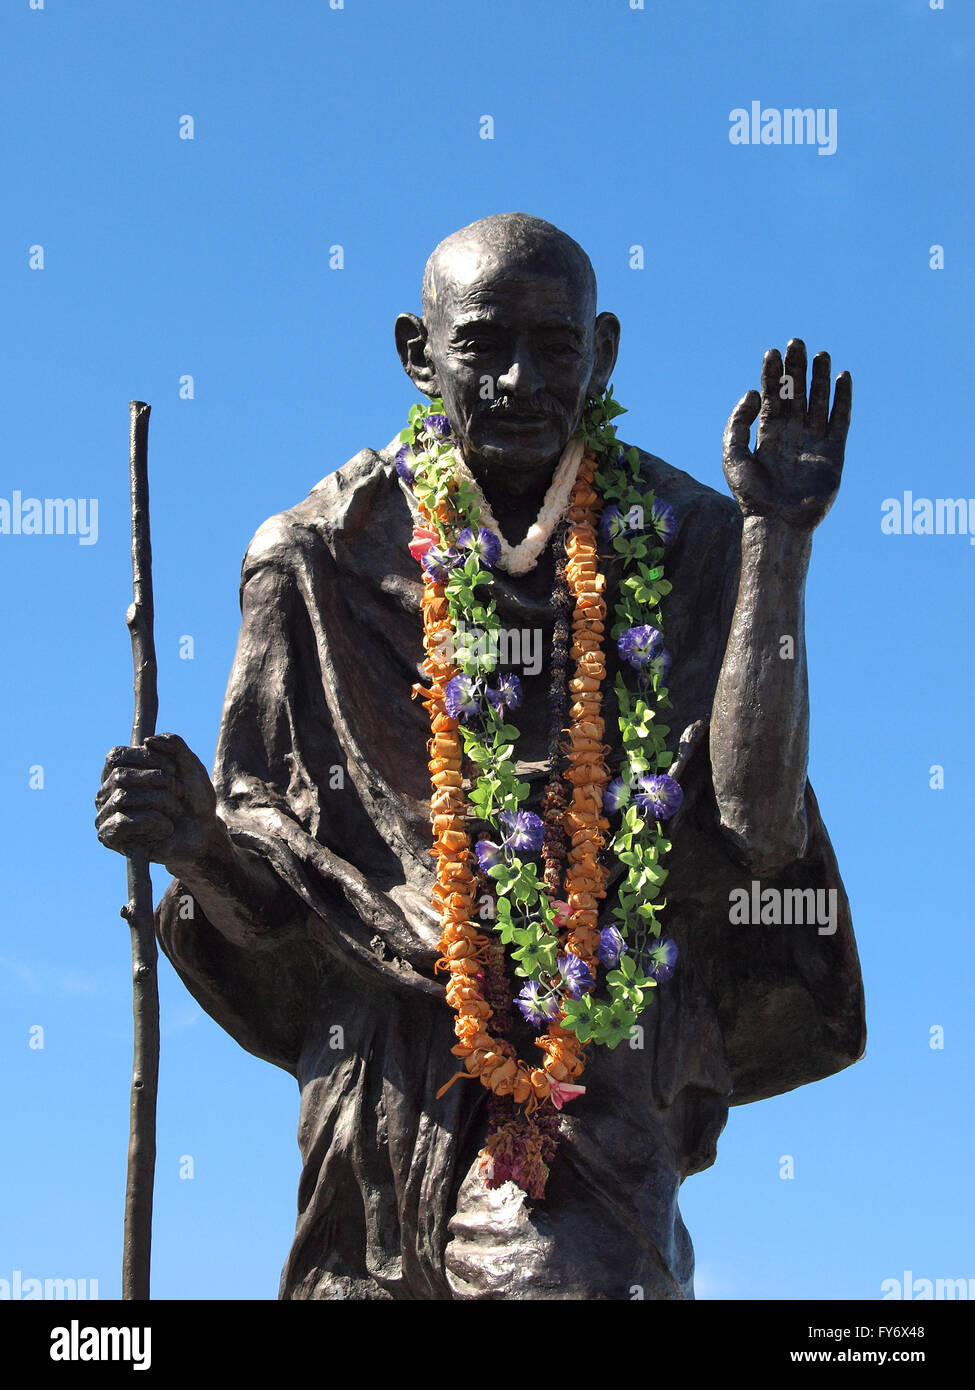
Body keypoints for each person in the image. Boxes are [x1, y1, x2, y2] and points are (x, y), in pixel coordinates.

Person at [95, 213, 864, 1300]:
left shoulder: (692, 530)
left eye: (555, 348)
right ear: (420, 351)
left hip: (598, 1046)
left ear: (603, 351)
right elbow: (281, 895)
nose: (519, 379)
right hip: (384, 1061)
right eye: (483, 345)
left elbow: (760, 832)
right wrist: (199, 843)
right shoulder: (318, 556)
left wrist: (779, 543)